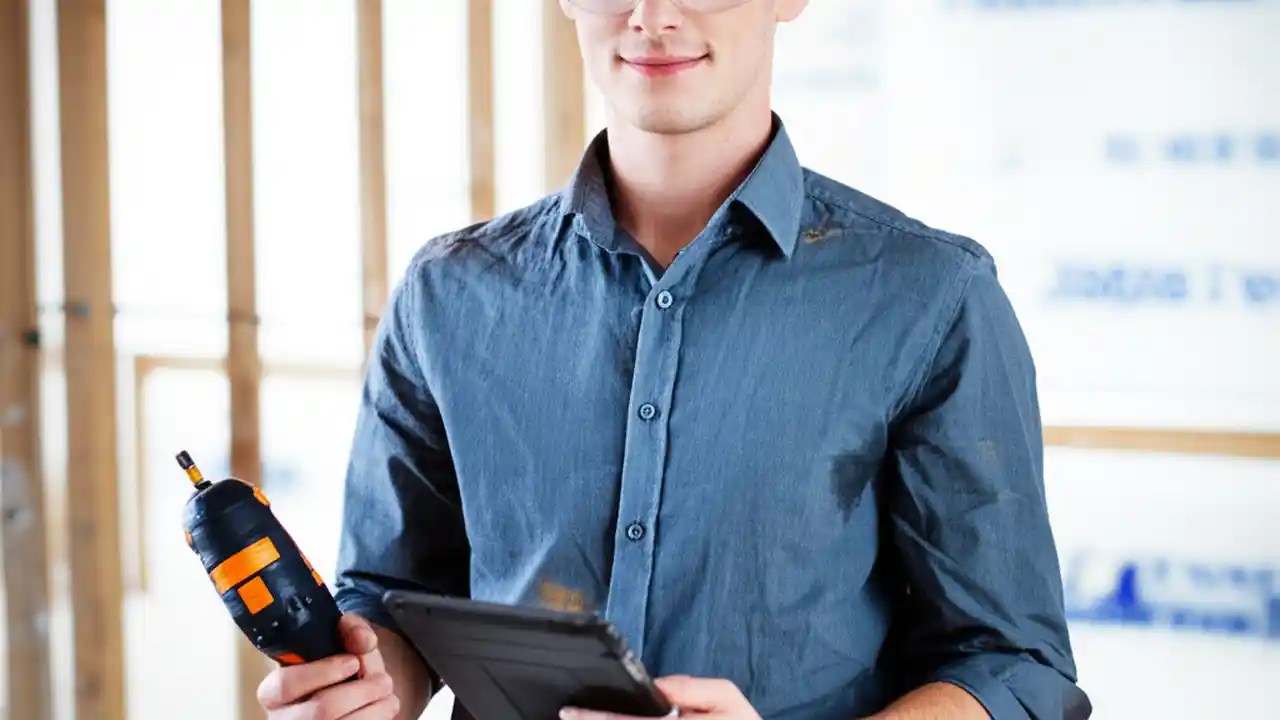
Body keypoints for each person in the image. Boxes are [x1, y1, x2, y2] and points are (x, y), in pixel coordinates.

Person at [256, 0, 1092, 718]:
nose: (652, 16)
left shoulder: (931, 297)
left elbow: (1013, 668)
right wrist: (370, 684)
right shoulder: (448, 294)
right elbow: (392, 602)